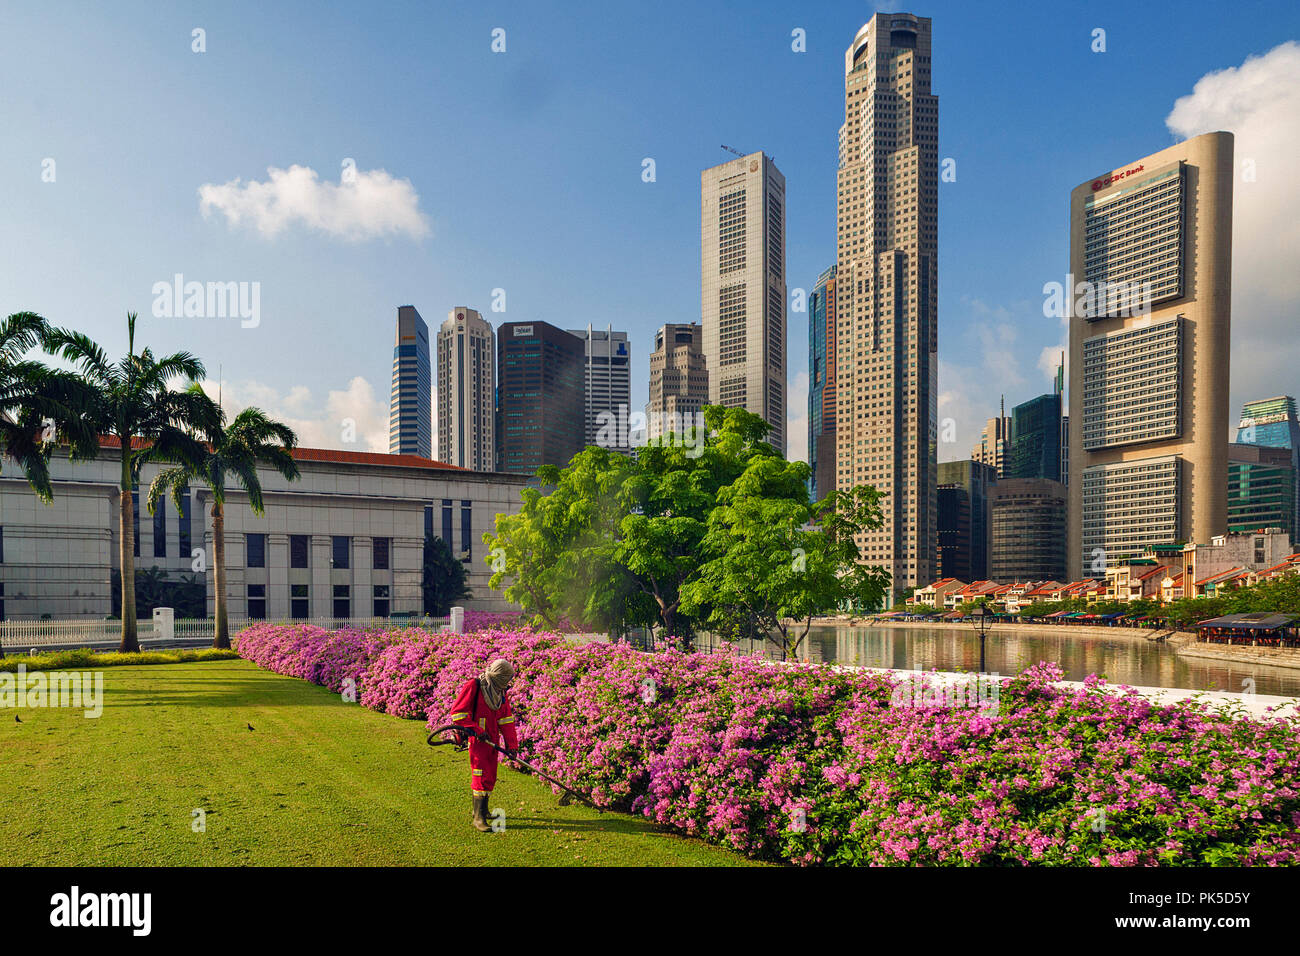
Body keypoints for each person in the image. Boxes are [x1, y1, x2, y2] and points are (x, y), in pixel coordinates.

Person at [448, 659, 519, 833]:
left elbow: (506, 719)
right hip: (478, 740)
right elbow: (458, 713)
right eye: (506, 678)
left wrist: (512, 745)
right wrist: (476, 730)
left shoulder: (500, 692)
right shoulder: (475, 686)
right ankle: (478, 817)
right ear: (499, 676)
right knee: (479, 774)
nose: (508, 683)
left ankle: (484, 810)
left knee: (490, 774)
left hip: (492, 740)